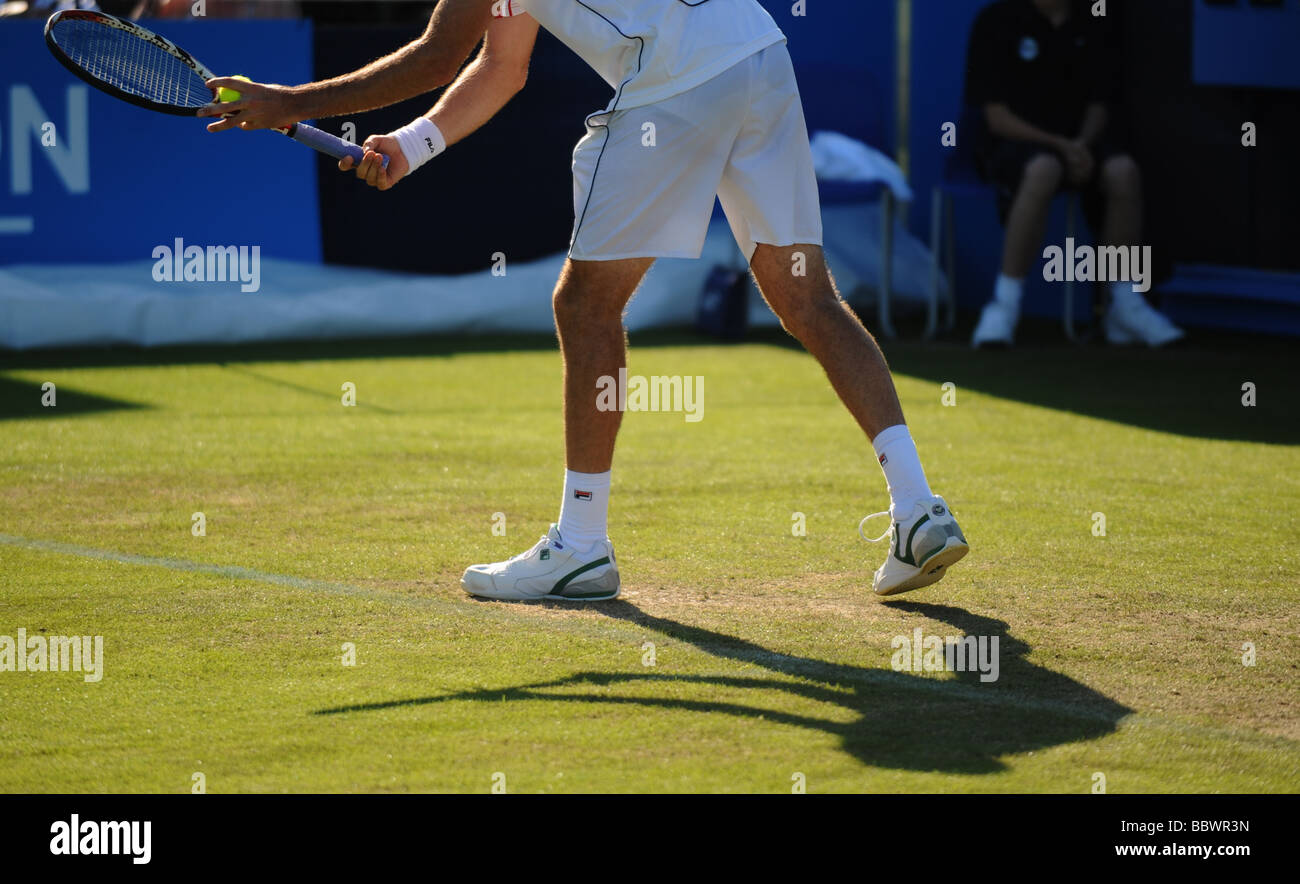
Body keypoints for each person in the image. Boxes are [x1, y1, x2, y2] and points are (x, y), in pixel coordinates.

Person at [198, 0, 968, 600]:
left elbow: (439, 53)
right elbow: (502, 64)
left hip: (676, 83)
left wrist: (287, 100)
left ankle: (580, 546)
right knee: (808, 301)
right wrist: (415, 144)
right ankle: (918, 507)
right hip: (759, 58)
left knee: (584, 306)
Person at [965, 0, 1184, 348]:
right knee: (1043, 169)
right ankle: (1004, 306)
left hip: (1082, 141)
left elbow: (1101, 102)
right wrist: (1059, 145)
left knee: (1123, 172)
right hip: (1018, 144)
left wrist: (1080, 144)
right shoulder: (997, 19)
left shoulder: (1095, 18)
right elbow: (996, 116)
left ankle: (1124, 303)